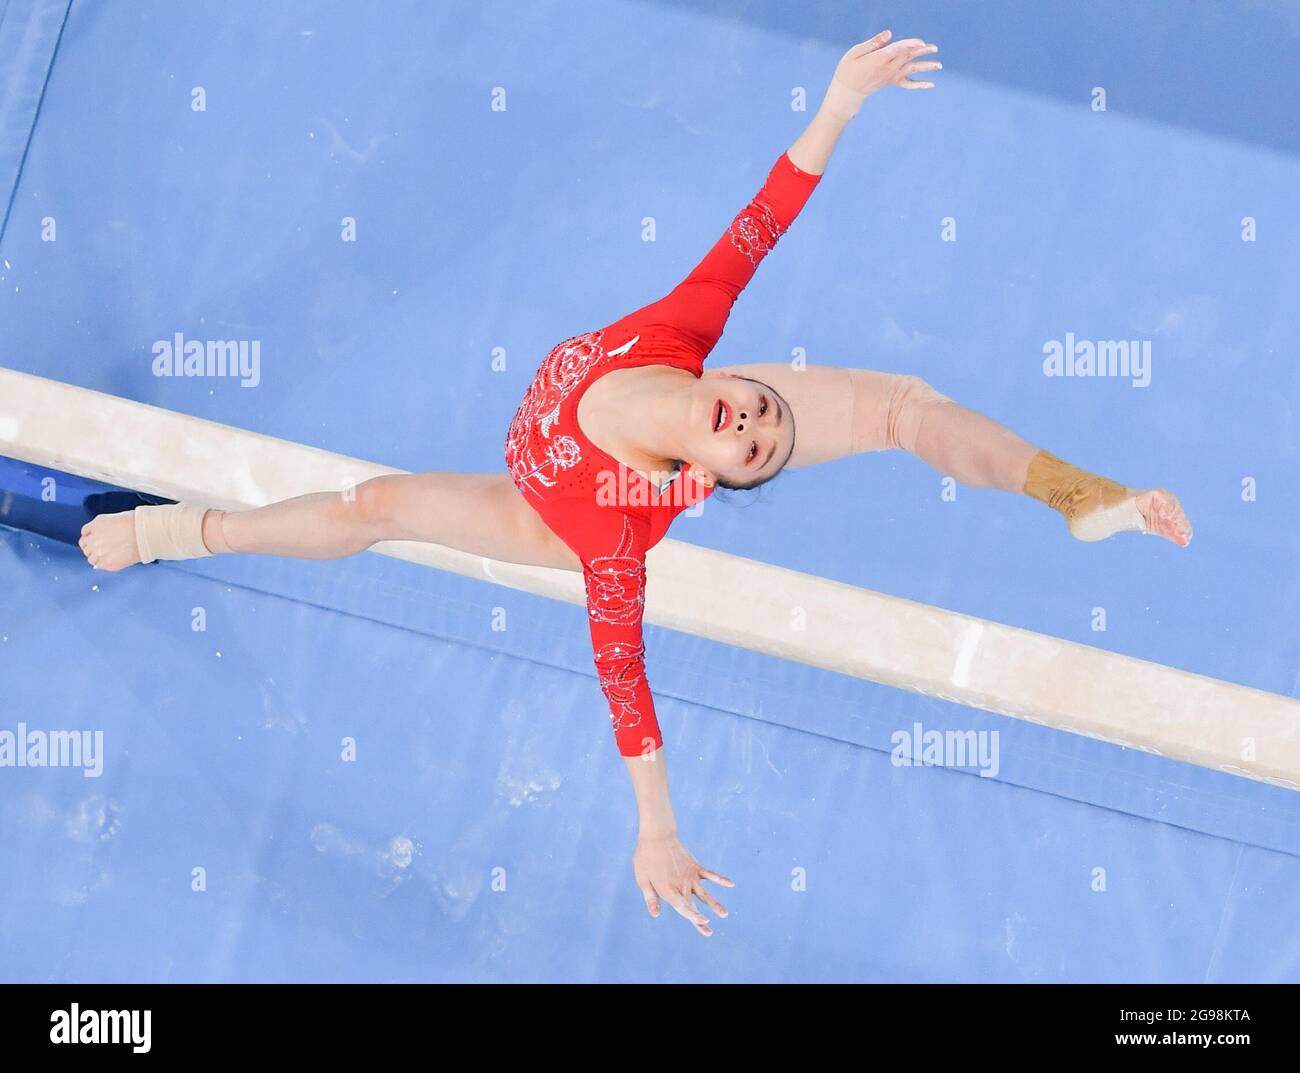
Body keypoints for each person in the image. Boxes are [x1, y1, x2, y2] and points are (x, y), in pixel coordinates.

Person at [78, 31, 1191, 937]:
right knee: (890, 399)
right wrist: (842, 99)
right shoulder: (690, 335)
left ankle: (182, 532)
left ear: (716, 472)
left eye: (752, 442)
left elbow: (625, 681)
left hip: (542, 506)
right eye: (757, 413)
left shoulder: (613, 539)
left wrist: (655, 827)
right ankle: (1075, 490)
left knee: (377, 507)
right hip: (588, 429)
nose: (752, 420)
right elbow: (763, 219)